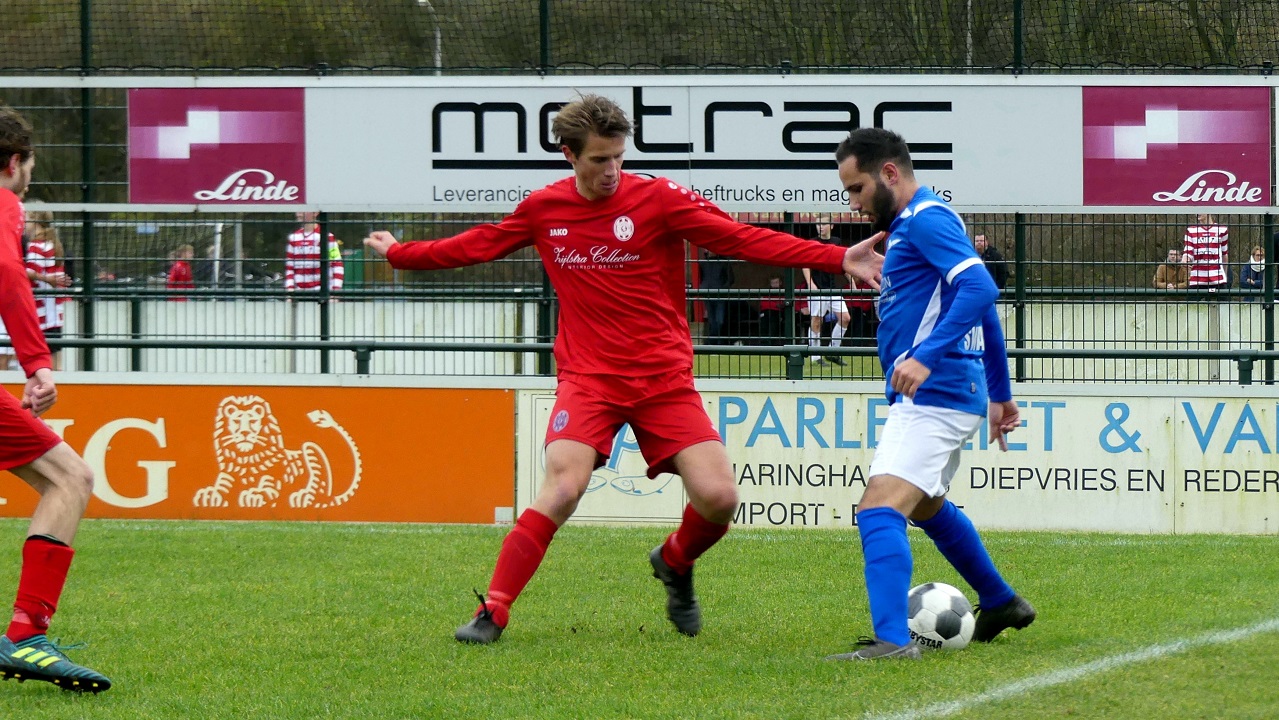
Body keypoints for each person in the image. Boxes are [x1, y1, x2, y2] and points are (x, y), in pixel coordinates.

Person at [362, 94, 883, 645]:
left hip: (663, 380)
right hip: (589, 379)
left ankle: (675, 562)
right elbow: (477, 245)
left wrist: (833, 257)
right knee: (563, 486)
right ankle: (494, 611)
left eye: (618, 157)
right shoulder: (544, 209)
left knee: (720, 498)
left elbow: (737, 236)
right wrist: (400, 253)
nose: (612, 170)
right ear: (568, 155)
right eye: (598, 160)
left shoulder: (657, 198)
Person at [825, 127, 1033, 661]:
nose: (853, 203)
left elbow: (983, 287)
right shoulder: (921, 225)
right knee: (928, 506)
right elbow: (979, 304)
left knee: (878, 509)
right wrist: (999, 391)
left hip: (933, 395)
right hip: (947, 392)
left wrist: (925, 355)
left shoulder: (927, 219)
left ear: (889, 173)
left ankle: (893, 642)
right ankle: (1001, 600)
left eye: (857, 190)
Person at [0, 106, 111, 692]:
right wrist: (37, 363)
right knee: (71, 479)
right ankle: (26, 635)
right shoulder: (4, 199)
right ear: (15, 163)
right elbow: (6, 271)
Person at [23, 206, 70, 370]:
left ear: (35, 220)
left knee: (45, 360)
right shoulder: (51, 244)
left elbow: (29, 272)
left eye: (27, 219)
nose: (24, 223)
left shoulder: (36, 245)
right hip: (55, 312)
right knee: (56, 357)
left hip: (42, 312)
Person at [803, 214, 852, 365]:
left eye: (823, 224)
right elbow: (805, 263)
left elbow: (842, 262)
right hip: (817, 288)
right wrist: (810, 283)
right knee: (816, 320)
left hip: (832, 288)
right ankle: (815, 356)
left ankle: (832, 351)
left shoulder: (836, 241)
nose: (820, 227)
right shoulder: (812, 242)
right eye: (818, 225)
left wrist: (851, 281)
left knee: (845, 318)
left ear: (831, 226)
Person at [285, 211, 344, 293]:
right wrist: (290, 290)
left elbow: (337, 264)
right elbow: (289, 267)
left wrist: (335, 292)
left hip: (321, 292)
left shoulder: (327, 237)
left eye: (303, 209)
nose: (298, 212)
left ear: (315, 213)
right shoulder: (293, 238)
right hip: (299, 292)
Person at [1182, 214, 1228, 291]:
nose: (1197, 214)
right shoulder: (1191, 230)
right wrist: (1185, 260)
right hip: (1197, 278)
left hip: (1218, 277)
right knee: (1191, 302)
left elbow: (1224, 254)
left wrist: (1225, 276)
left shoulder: (1222, 229)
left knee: (1225, 302)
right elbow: (1188, 251)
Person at [698, 249, 734, 345]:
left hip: (719, 295)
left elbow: (730, 278)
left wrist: (722, 289)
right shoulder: (703, 263)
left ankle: (715, 342)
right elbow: (701, 278)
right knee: (712, 320)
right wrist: (703, 287)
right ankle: (715, 343)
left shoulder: (723, 262)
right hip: (707, 293)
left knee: (719, 320)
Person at [757, 275, 785, 346]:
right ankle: (763, 344)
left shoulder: (784, 292)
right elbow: (763, 304)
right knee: (763, 324)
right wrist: (776, 304)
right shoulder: (767, 292)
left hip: (777, 313)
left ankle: (770, 344)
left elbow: (784, 303)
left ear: (780, 283)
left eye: (776, 282)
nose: (775, 285)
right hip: (766, 312)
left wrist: (775, 304)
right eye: (773, 283)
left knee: (774, 324)